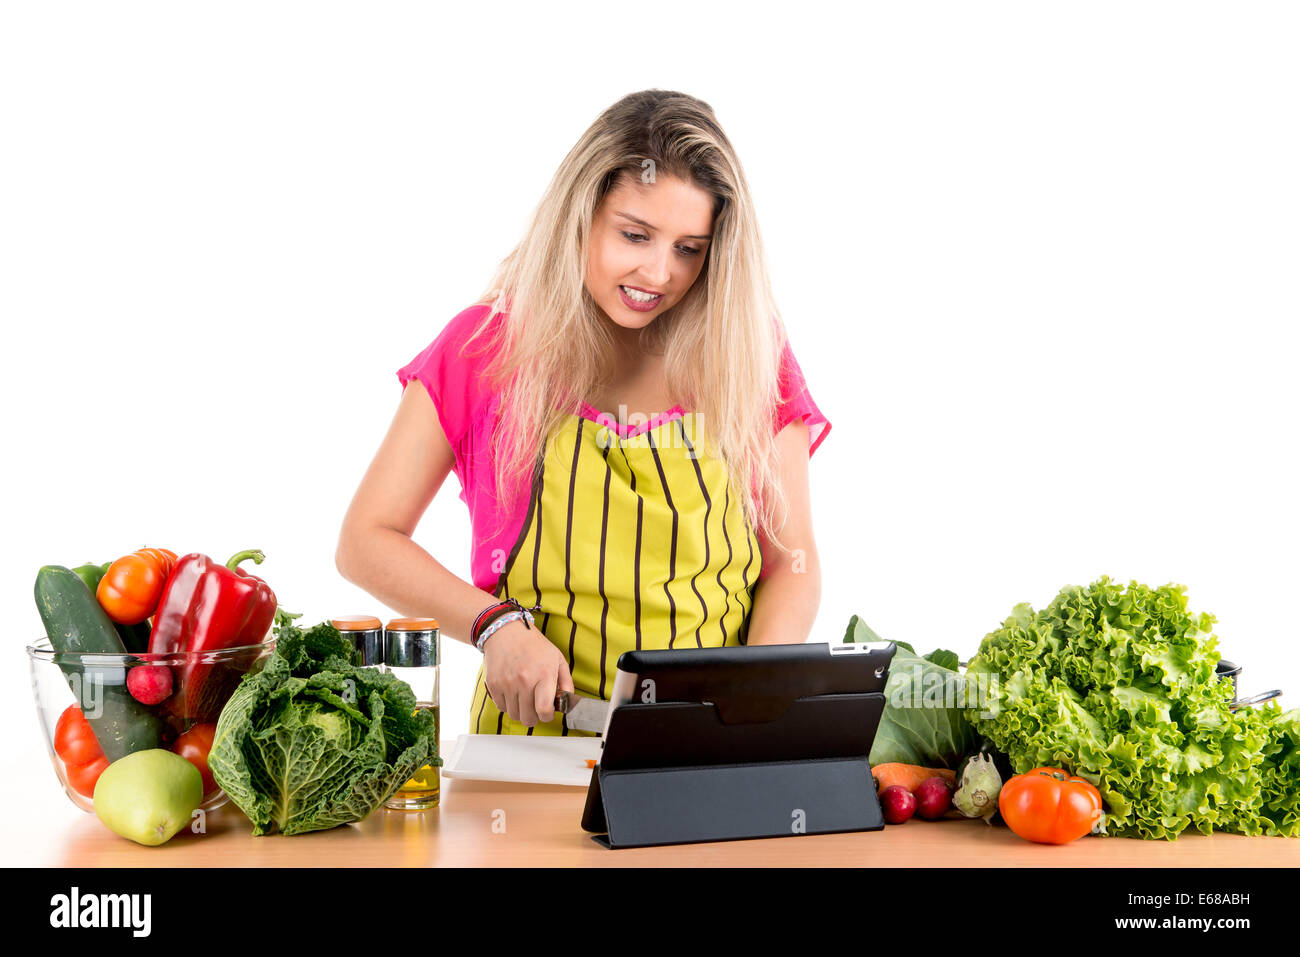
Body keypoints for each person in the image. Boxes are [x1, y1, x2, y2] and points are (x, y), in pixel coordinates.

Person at [336, 89, 831, 736]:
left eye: (689, 247)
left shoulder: (748, 352)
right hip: (527, 754)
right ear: (581, 213)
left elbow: (791, 566)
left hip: (700, 746)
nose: (659, 273)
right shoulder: (483, 349)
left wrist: (752, 696)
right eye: (634, 234)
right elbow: (366, 539)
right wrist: (494, 627)